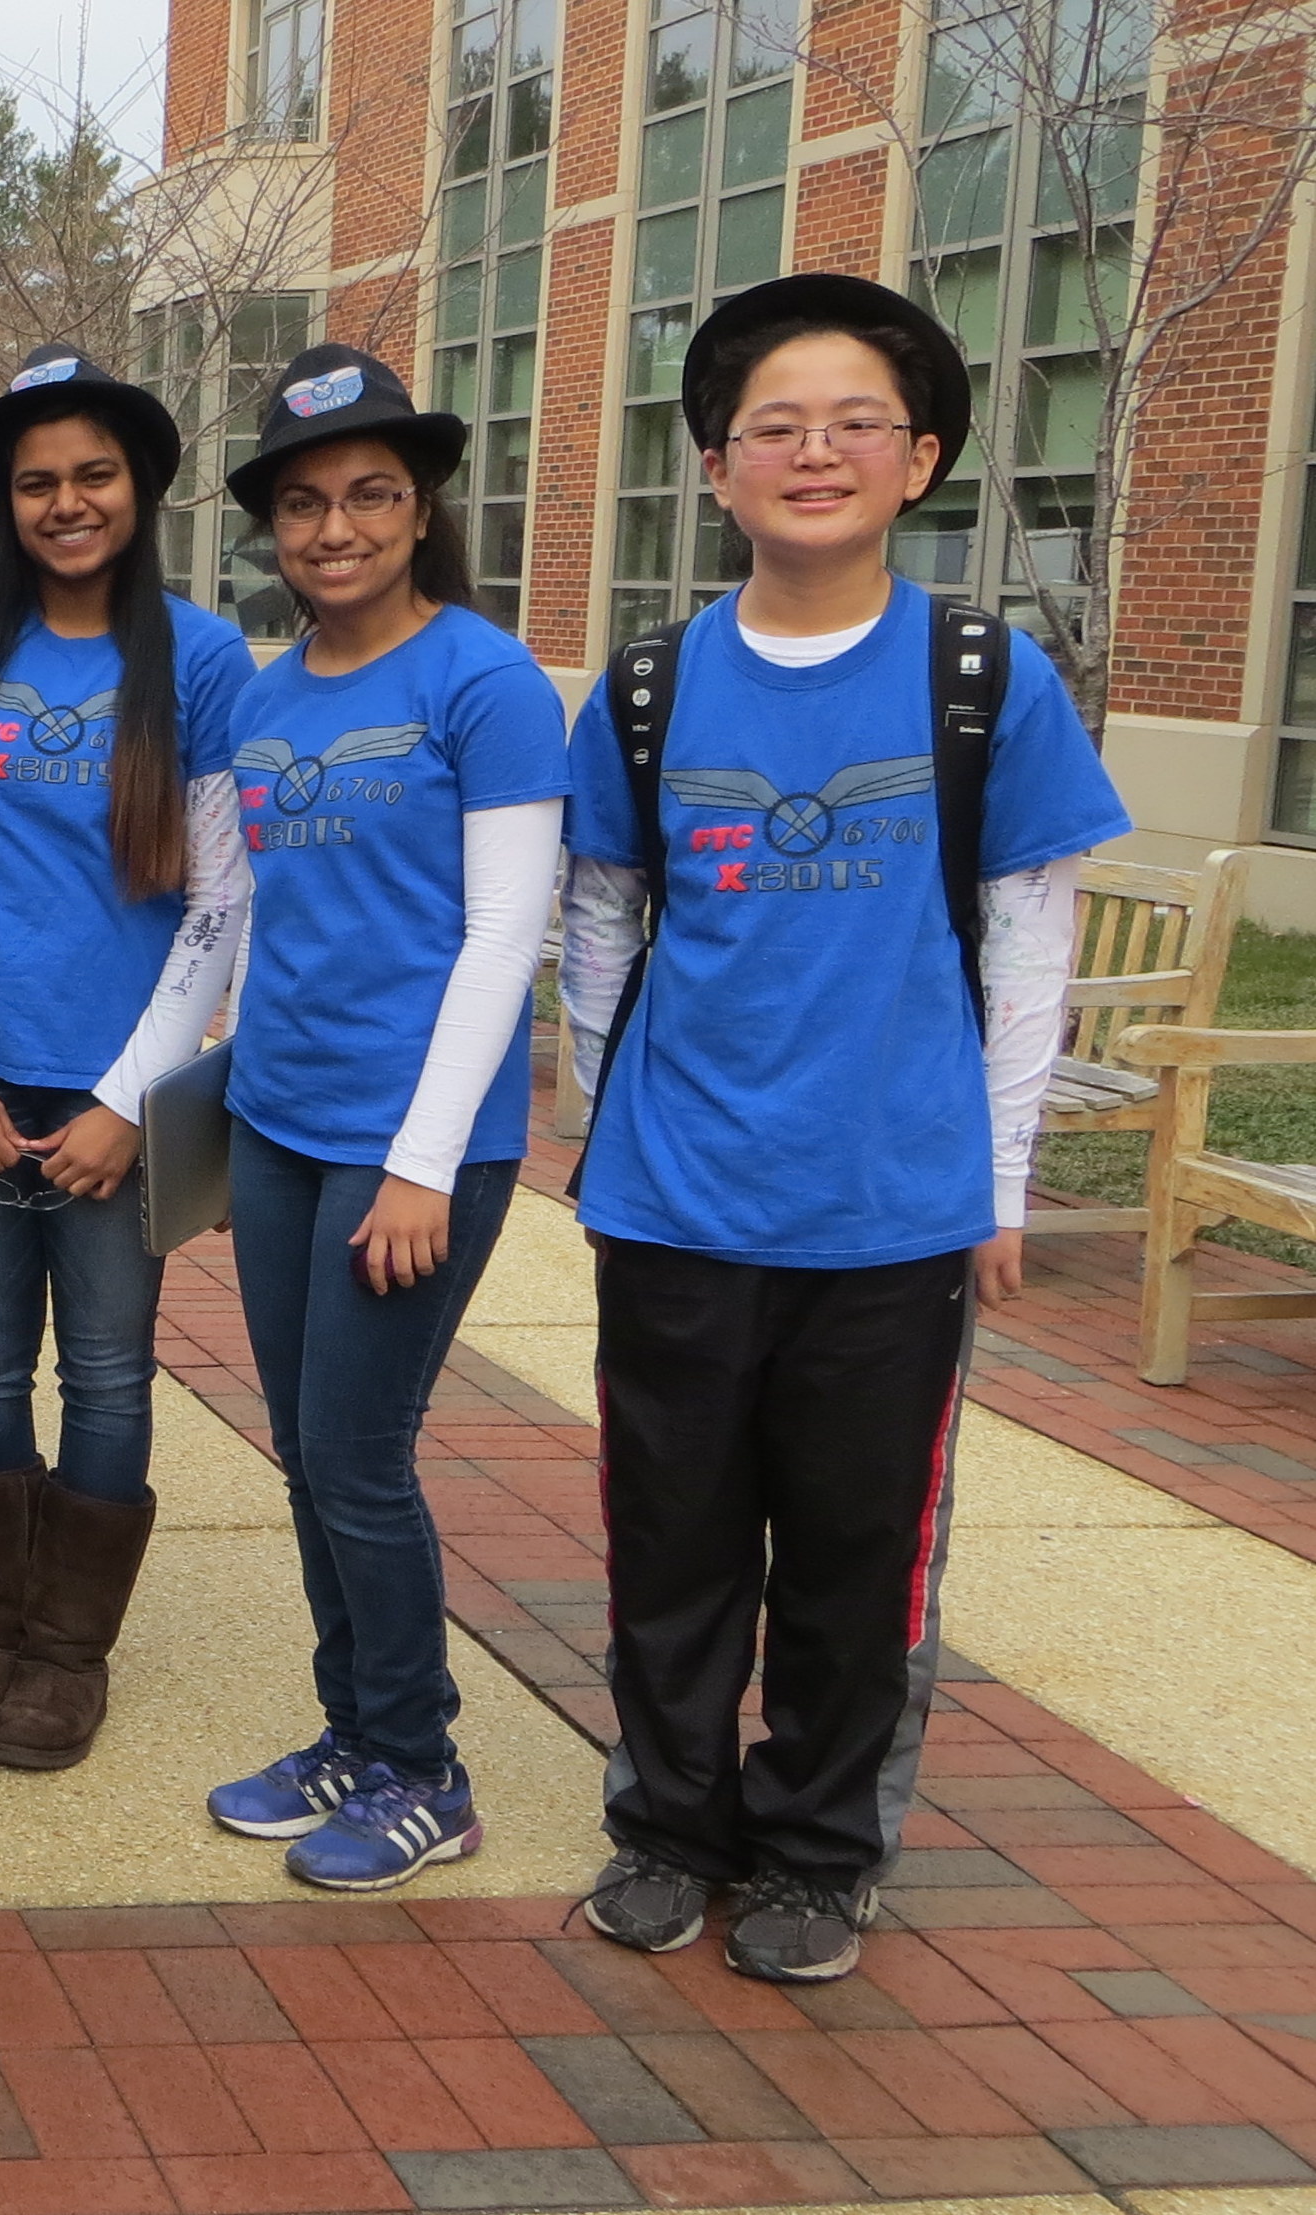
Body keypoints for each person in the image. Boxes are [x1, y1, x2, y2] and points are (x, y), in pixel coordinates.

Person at [559, 274, 1127, 1982]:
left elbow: (1029, 938)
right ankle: (667, 1824)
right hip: (673, 1205)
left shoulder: (977, 676)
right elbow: (593, 921)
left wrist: (999, 1179)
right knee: (669, 1547)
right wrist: (611, 1130)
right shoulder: (649, 688)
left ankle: (814, 1851)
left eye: (851, 424)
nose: (812, 453)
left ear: (918, 458)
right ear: (716, 469)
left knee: (851, 1560)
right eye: (772, 428)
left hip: (887, 1211)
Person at [200, 345, 568, 1889]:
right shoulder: (269, 690)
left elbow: (505, 932)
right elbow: (248, 912)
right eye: (302, 502)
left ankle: (423, 1764)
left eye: (368, 495)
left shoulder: (480, 679)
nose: (334, 526)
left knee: (358, 1453)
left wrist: (418, 1163)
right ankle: (350, 1728)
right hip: (278, 1121)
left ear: (419, 511)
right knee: (302, 1448)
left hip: (408, 1142)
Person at [0, 344, 249, 1772]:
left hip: (115, 1102)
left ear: (137, 489)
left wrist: (126, 1100)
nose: (67, 501)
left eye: (93, 475)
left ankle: (66, 1650)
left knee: (105, 1369)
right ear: (3, 501)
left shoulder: (198, 659)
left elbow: (218, 900)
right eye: (37, 481)